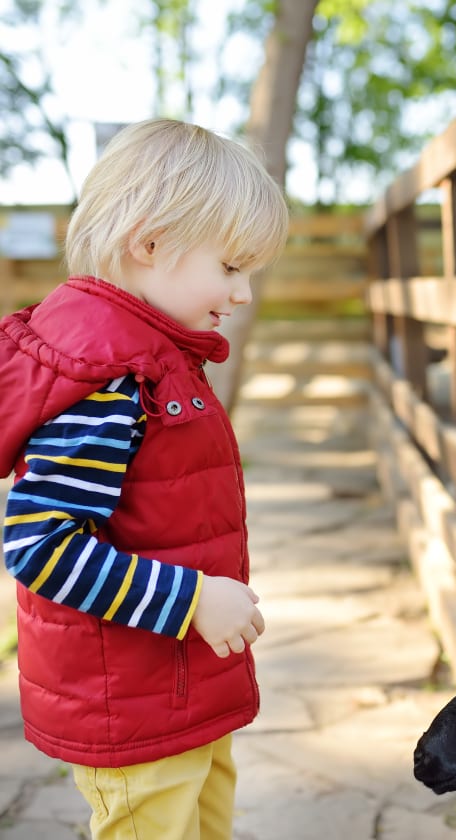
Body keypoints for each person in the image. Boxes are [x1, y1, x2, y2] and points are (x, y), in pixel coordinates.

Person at [0, 118, 289, 839]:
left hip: (177, 689)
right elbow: (40, 546)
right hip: (132, 702)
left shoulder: (152, 355)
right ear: (149, 242)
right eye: (230, 268)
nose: (244, 293)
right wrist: (191, 599)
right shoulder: (108, 377)